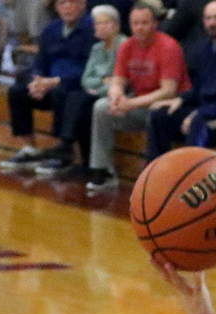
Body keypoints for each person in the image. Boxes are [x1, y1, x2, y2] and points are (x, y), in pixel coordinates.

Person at [86, 0, 186, 192]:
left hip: (166, 106)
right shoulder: (127, 46)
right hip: (138, 105)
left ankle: (154, 176)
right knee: (101, 107)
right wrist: (117, 97)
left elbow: (168, 91)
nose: (139, 28)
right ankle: (103, 170)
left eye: (145, 22)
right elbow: (117, 81)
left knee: (156, 117)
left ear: (155, 24)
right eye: (135, 23)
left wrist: (130, 104)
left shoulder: (169, 46)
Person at [144, 1, 216, 160]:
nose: (212, 23)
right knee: (160, 115)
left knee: (199, 124)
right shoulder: (205, 47)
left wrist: (201, 113)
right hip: (207, 111)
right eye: (208, 18)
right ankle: (154, 178)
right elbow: (198, 88)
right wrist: (181, 100)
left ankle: (190, 180)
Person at [0, 0, 95, 172]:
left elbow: (90, 70)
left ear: (82, 5)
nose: (66, 7)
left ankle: (63, 151)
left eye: (71, 2)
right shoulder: (51, 29)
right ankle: (29, 148)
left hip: (74, 87)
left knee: (61, 92)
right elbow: (40, 62)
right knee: (18, 91)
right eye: (62, 3)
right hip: (47, 86)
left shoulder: (92, 29)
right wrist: (37, 81)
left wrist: (55, 81)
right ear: (56, 7)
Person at [34, 3, 125, 175]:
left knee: (79, 99)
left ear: (115, 25)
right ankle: (77, 156)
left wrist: (101, 86)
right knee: (74, 96)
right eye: (96, 23)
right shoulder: (97, 48)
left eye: (102, 23)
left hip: (113, 95)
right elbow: (86, 78)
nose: (96, 27)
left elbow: (121, 80)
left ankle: (67, 146)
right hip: (93, 91)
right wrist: (102, 81)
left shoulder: (123, 46)